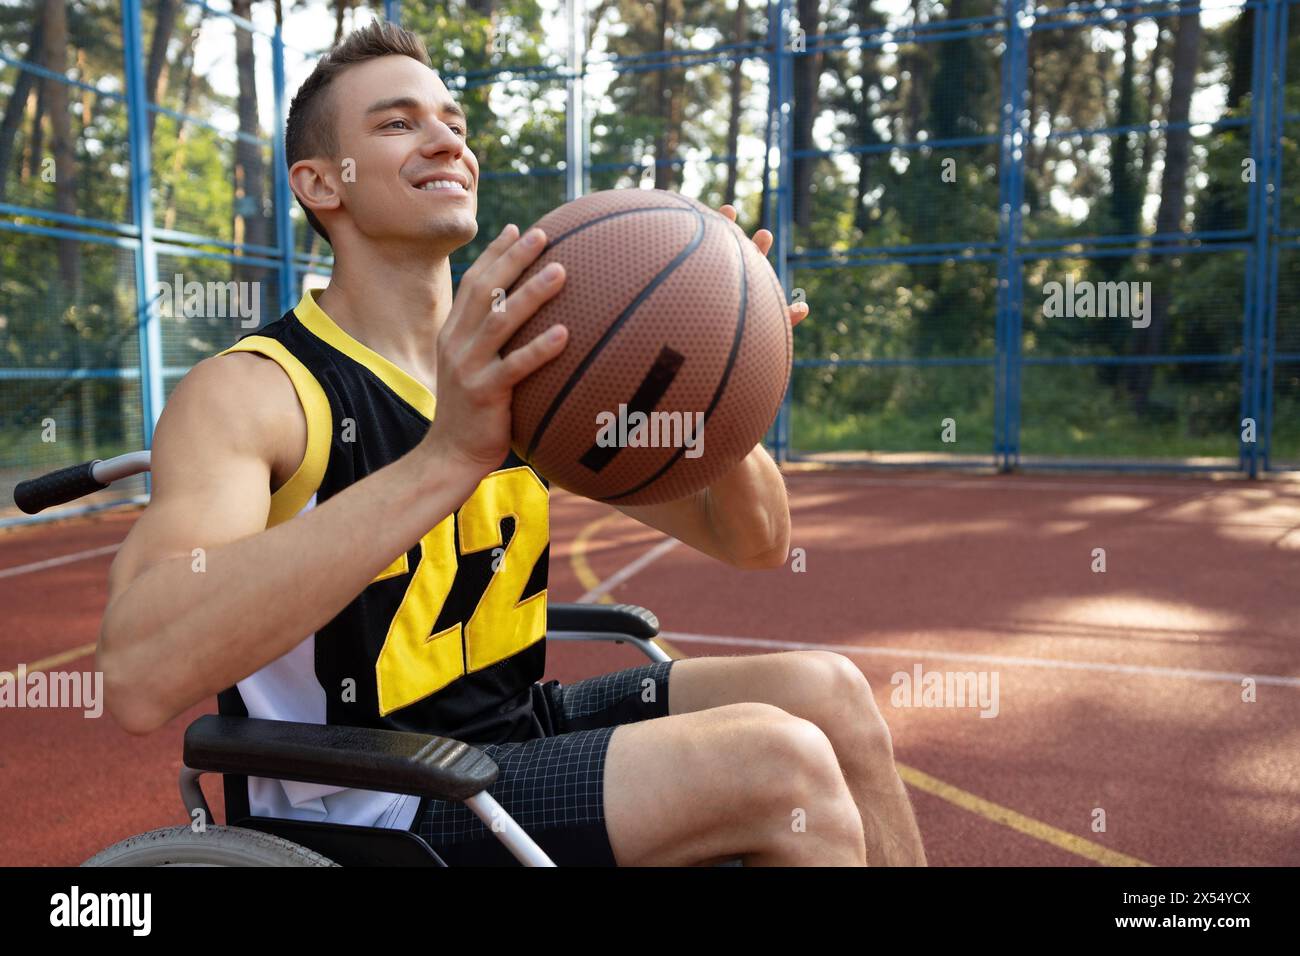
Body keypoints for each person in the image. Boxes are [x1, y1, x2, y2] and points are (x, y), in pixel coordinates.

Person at [98, 19, 925, 867]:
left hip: (514, 736)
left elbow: (754, 542)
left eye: (452, 122)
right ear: (321, 183)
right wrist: (445, 457)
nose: (444, 140)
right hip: (374, 797)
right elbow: (138, 673)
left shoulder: (534, 362)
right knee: (777, 765)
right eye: (397, 123)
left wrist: (720, 363)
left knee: (828, 694)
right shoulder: (257, 391)